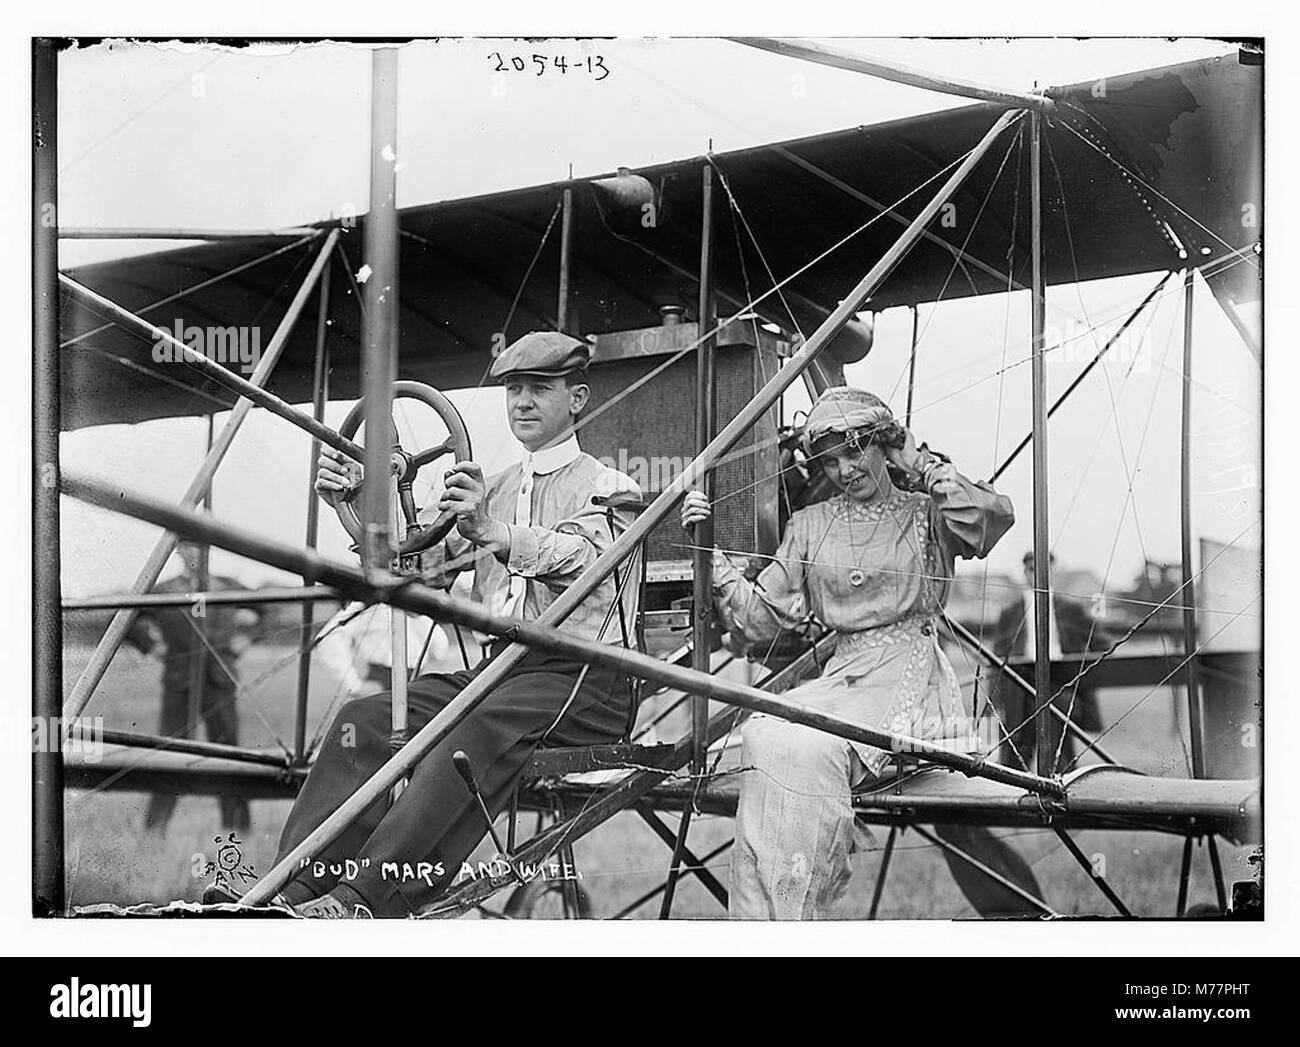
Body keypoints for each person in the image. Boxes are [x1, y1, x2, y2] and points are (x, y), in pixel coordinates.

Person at [270, 331, 641, 918]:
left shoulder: (611, 488)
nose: (521, 402)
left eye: (539, 389)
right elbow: (414, 569)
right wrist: (362, 503)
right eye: (513, 389)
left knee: (470, 731)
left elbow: (588, 560)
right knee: (362, 720)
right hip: (503, 673)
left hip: (588, 681)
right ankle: (291, 890)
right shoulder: (489, 488)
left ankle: (365, 901)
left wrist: (496, 533)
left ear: (577, 399)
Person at [682, 385, 1041, 919]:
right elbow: (759, 621)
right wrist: (709, 556)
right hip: (843, 675)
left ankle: (799, 914)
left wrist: (920, 463)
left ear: (883, 445)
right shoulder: (809, 524)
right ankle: (764, 926)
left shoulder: (926, 513)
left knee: (811, 749)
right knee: (764, 731)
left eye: (855, 451)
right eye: (829, 461)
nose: (845, 470)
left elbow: (990, 518)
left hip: (909, 676)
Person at [124, 543, 262, 833]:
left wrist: (248, 637)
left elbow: (266, 610)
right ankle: (156, 827)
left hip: (219, 680)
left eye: (199, 547)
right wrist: (152, 646)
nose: (194, 554)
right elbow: (127, 619)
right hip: (180, 681)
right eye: (187, 548)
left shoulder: (227, 586)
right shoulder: (163, 591)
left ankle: (237, 828)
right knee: (169, 752)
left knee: (229, 753)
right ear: (178, 553)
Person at [991, 551, 1119, 770]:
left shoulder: (1071, 610)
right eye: (1032, 570)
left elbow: (1102, 644)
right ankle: (1012, 795)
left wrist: (1079, 672)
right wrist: (996, 701)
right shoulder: (1010, 613)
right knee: (1015, 750)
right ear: (1024, 573)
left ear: (1053, 571)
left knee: (1059, 750)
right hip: (1021, 687)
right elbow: (997, 659)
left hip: (1059, 686)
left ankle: (1062, 792)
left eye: (1044, 569)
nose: (1038, 575)